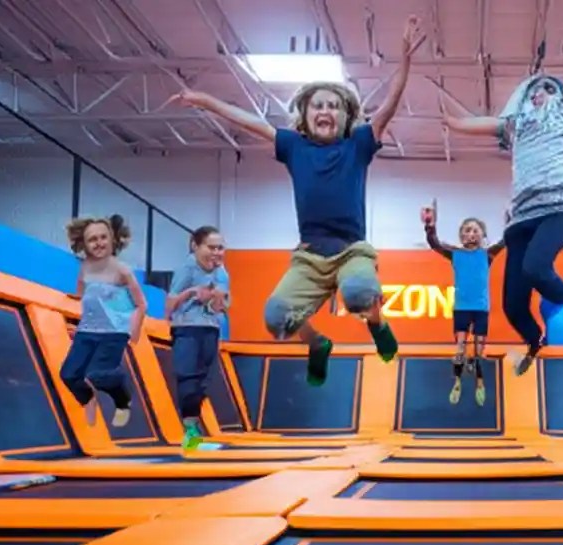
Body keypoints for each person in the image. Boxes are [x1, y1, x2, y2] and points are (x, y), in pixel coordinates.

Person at [169, 15, 424, 386]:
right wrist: (206, 100)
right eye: (318, 105)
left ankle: (377, 324)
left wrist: (405, 59)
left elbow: (388, 107)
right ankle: (317, 343)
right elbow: (249, 122)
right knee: (275, 318)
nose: (325, 111)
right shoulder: (293, 146)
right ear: (305, 114)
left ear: (346, 115)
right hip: (309, 257)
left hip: (352, 252)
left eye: (334, 106)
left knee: (358, 293)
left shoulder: (358, 145)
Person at [441, 0, 563, 376]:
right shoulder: (515, 127)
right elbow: (482, 123)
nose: (539, 93)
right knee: (513, 305)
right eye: (534, 90)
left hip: (555, 211)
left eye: (547, 89)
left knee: (535, 268)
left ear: (558, 98)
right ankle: (535, 342)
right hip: (519, 222)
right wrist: (453, 122)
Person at [60, 215, 147, 429]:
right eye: (92, 240)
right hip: (87, 331)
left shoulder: (122, 271)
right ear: (84, 244)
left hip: (114, 332)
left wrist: (133, 332)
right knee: (69, 374)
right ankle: (88, 399)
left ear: (112, 240)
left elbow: (141, 304)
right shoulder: (85, 268)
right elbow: (81, 295)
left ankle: (122, 398)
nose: (98, 243)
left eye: (103, 238)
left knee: (97, 374)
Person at [421, 200, 506, 406]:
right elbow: (435, 244)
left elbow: (505, 241)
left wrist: (510, 223)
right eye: (467, 230)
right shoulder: (455, 254)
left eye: (476, 230)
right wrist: (430, 225)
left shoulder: (487, 254)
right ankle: (457, 380)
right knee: (460, 349)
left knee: (478, 351)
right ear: (461, 235)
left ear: (482, 235)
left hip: (481, 310)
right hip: (461, 308)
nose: (471, 234)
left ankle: (479, 381)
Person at [166, 225, 231, 452]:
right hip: (187, 328)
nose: (216, 253)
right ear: (196, 246)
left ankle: (193, 433)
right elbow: (169, 306)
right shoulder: (187, 268)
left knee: (203, 382)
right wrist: (193, 292)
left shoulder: (222, 273)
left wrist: (216, 299)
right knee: (188, 379)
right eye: (211, 247)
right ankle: (190, 433)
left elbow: (220, 308)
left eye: (220, 248)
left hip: (210, 329)